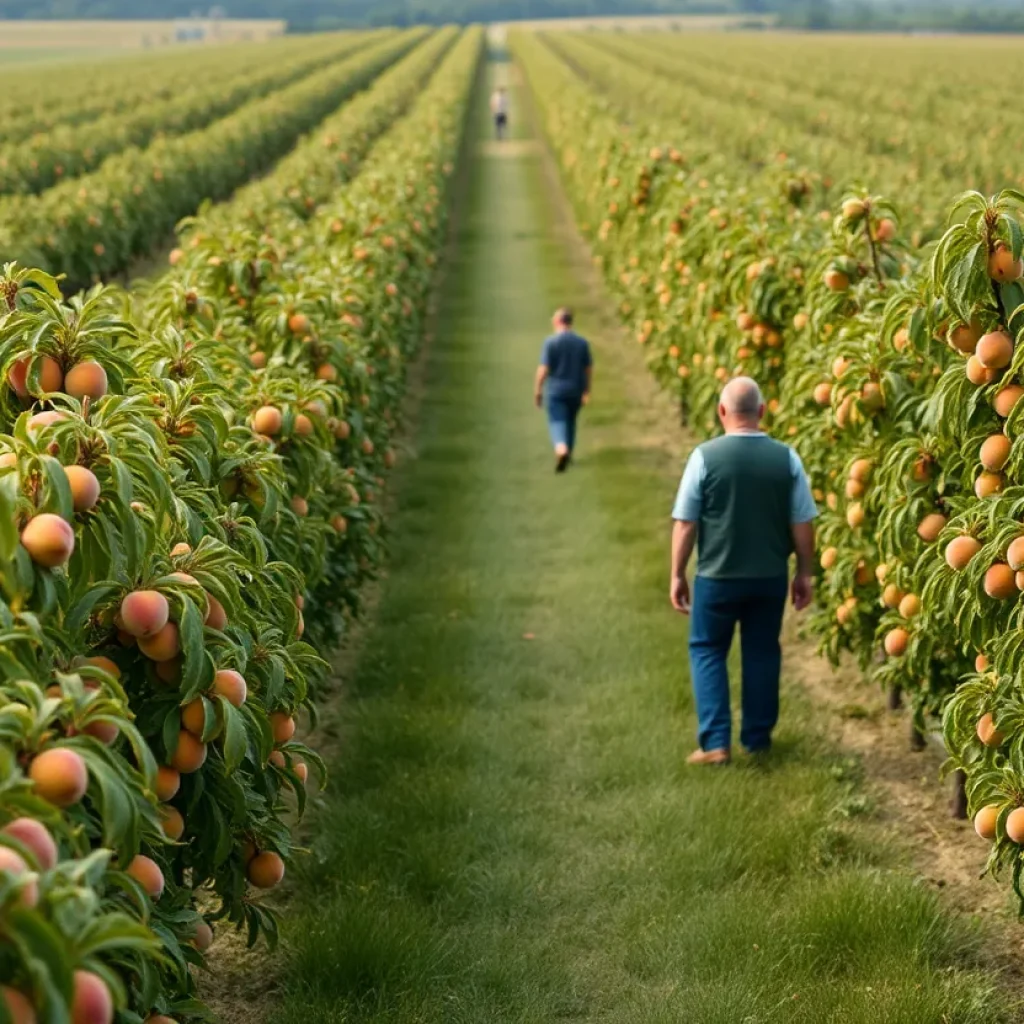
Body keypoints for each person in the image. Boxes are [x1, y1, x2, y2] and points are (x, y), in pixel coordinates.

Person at [669, 377, 817, 765]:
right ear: (762, 412)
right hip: (769, 577)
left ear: (722, 411)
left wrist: (677, 573)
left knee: (707, 650)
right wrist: (804, 572)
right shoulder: (787, 458)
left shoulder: (704, 457)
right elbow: (802, 522)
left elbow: (686, 522)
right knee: (762, 652)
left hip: (716, 576)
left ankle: (716, 742)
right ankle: (758, 739)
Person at [534, 308, 593, 473]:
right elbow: (588, 369)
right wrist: (587, 390)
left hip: (556, 389)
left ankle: (561, 448)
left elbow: (544, 369)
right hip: (575, 389)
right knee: (571, 421)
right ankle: (569, 453)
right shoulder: (582, 343)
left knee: (557, 420)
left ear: (557, 322)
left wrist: (538, 390)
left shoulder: (551, 342)